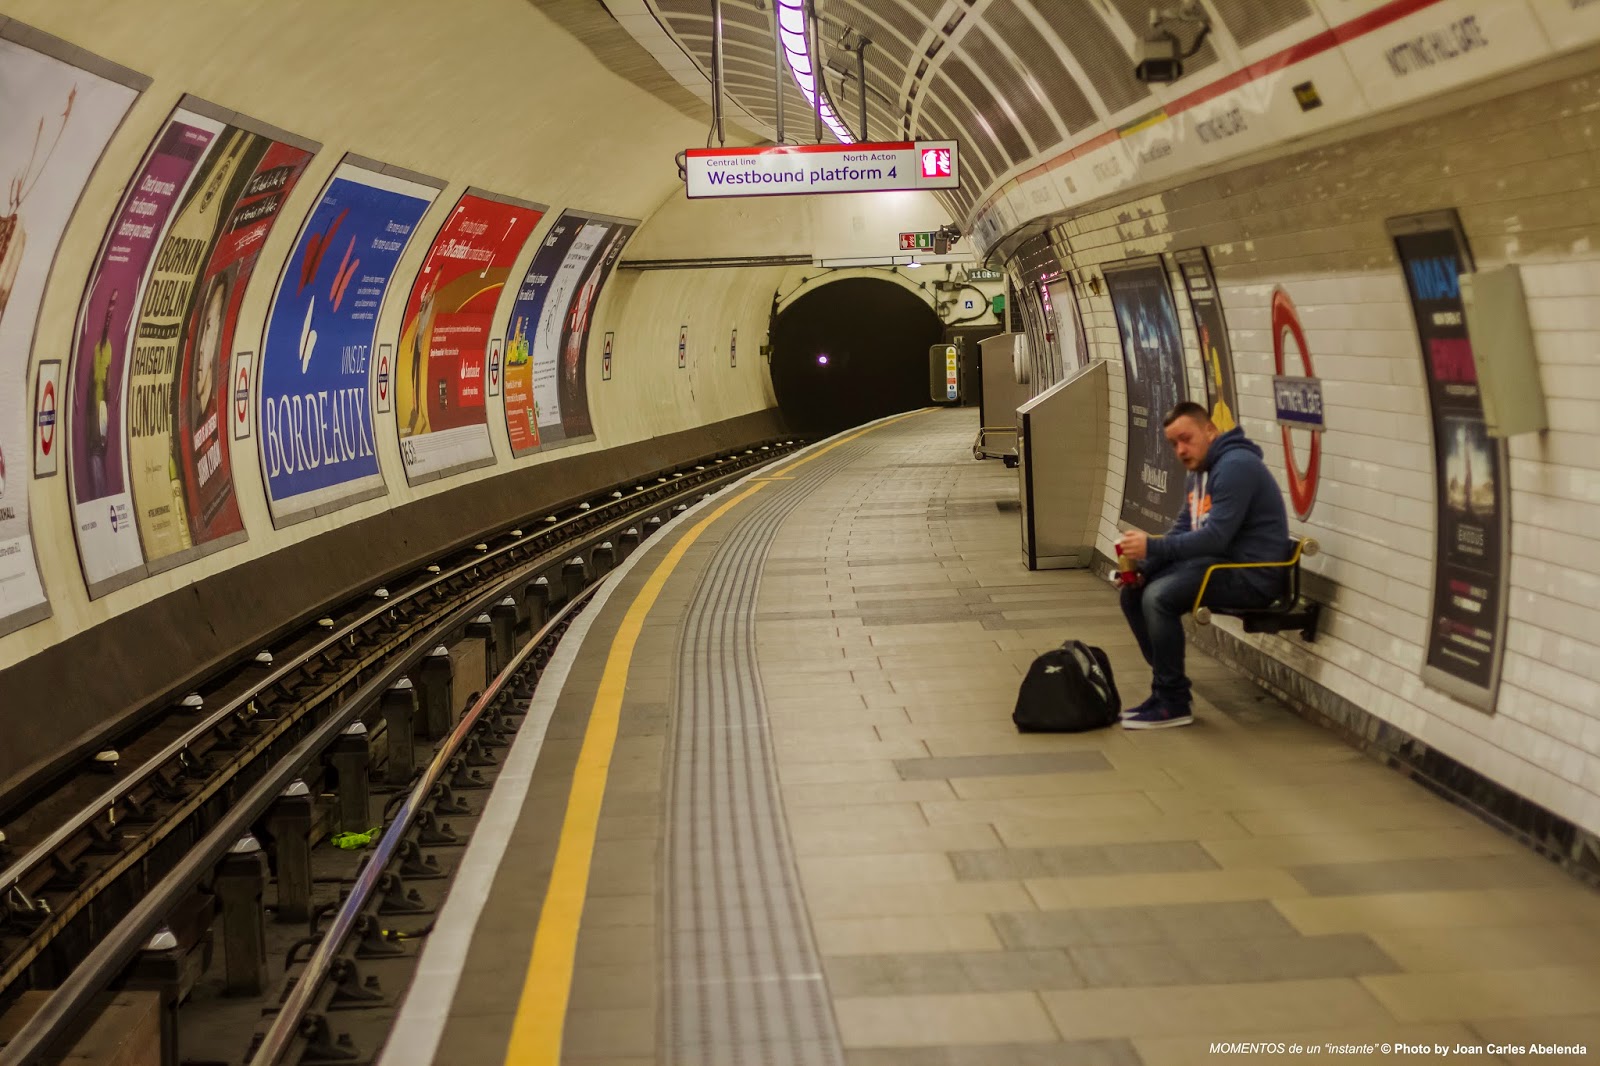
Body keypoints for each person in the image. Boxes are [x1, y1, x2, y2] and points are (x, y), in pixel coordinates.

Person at [1116, 401, 1289, 729]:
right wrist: (1144, 567)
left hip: (1250, 575)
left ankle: (1173, 702)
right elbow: (1185, 527)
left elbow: (1215, 538)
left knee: (1159, 598)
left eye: (1186, 438)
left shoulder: (1236, 467)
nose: (1180, 450)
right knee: (1134, 594)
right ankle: (1166, 689)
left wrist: (1151, 546)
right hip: (1219, 566)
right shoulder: (1201, 472)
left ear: (1210, 430)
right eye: (1173, 444)